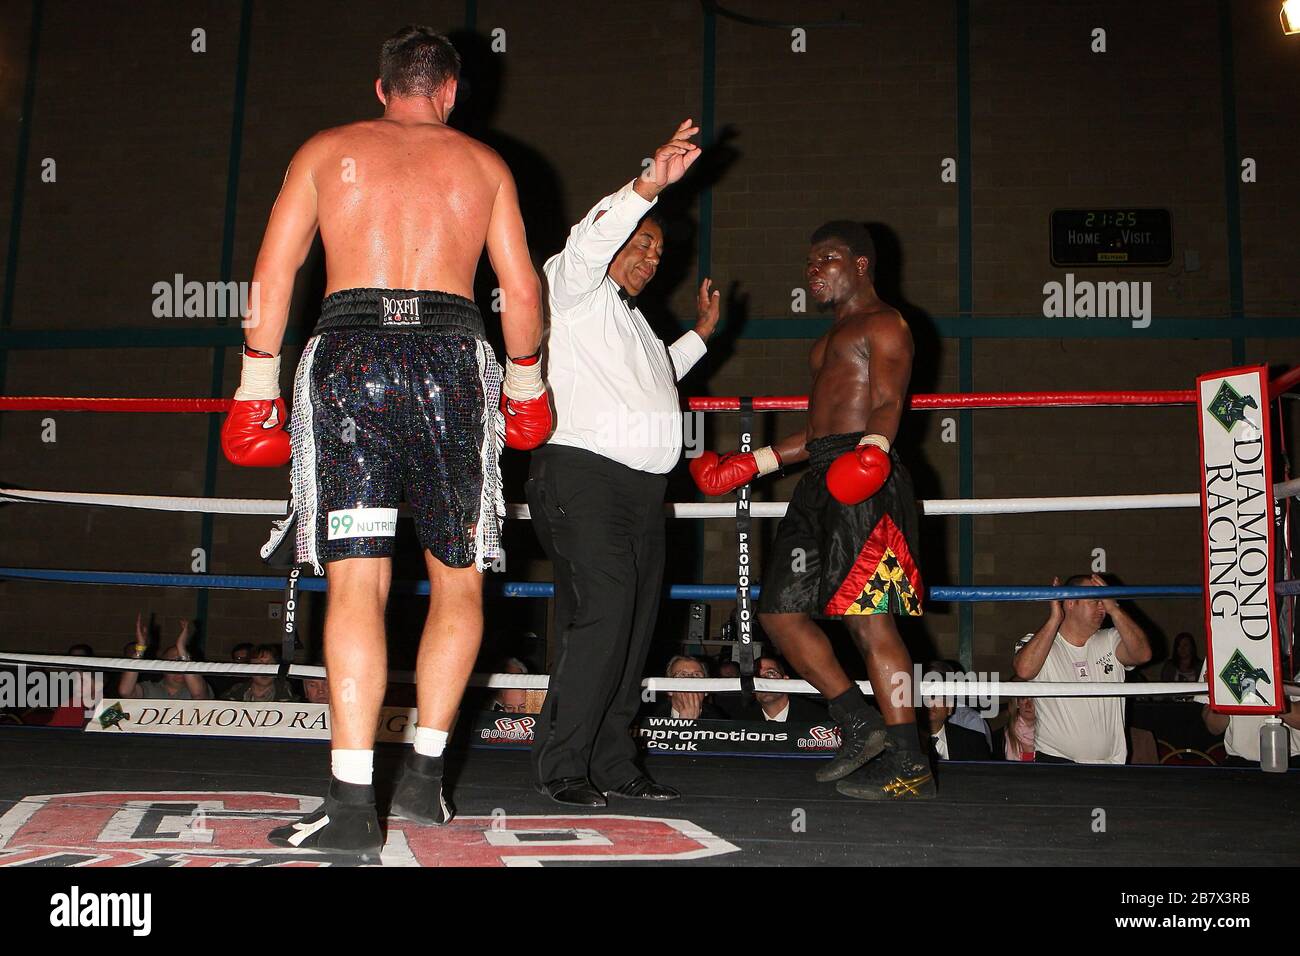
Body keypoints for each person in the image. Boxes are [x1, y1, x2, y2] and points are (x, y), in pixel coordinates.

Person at [222, 26, 543, 863]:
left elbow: (273, 269)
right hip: (452, 358)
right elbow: (520, 287)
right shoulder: (483, 165)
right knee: (458, 576)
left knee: (357, 579)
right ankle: (426, 778)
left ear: (381, 89)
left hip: (349, 354)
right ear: (452, 90)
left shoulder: (329, 151)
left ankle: (352, 799)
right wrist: (529, 383)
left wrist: (258, 385)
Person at [693, 221, 931, 800]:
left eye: (826, 259)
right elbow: (822, 430)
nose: (813, 271)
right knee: (777, 612)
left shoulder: (886, 323)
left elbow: (887, 400)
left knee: (870, 620)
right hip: (820, 480)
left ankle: (909, 764)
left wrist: (873, 452)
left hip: (866, 479)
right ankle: (858, 722)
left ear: (861, 264)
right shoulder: (827, 340)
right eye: (809, 262)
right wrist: (751, 464)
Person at [524, 120, 720, 807]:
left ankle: (612, 763)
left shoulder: (629, 320)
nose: (650, 256)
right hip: (582, 476)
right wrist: (649, 186)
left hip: (639, 492)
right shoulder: (572, 286)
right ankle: (563, 765)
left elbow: (659, 370)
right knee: (605, 614)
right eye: (641, 242)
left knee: (633, 628)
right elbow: (590, 240)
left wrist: (700, 336)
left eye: (659, 250)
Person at [1013, 574, 1152, 763]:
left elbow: (1142, 654)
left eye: (1104, 601)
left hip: (1110, 765)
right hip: (1057, 762)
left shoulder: (1111, 639)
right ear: (1071, 602)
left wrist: (1115, 609)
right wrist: (1055, 618)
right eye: (1096, 601)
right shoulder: (1039, 642)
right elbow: (1024, 670)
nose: (1102, 607)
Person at [118, 617, 213, 701]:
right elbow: (126, 692)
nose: (179, 665)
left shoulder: (199, 686)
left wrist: (182, 648)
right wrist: (140, 649)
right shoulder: (150, 688)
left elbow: (199, 695)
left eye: (182, 660)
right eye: (174, 661)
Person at [737, 657, 828, 723]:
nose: (763, 680)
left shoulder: (817, 718)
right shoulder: (742, 721)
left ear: (786, 680)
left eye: (770, 673)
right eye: (757, 676)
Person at [641, 656, 728, 720]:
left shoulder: (720, 722)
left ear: (706, 690)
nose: (690, 680)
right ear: (669, 689)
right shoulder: (650, 718)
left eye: (697, 675)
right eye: (682, 675)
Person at [221, 645, 298, 702]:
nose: (264, 670)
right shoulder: (233, 693)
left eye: (269, 664)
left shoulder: (290, 696)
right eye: (258, 664)